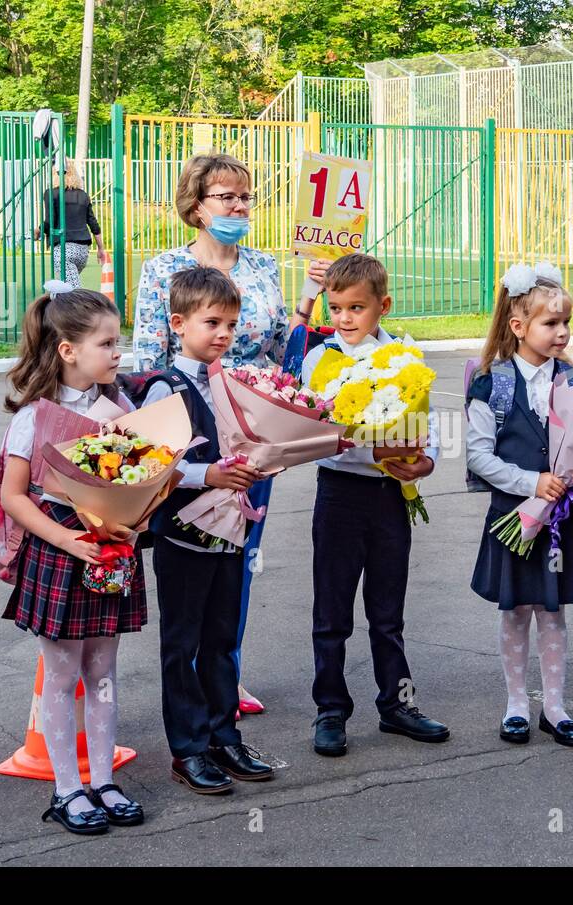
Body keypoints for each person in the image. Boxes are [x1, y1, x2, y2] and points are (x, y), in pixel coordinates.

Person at [132, 152, 327, 715]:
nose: (240, 206)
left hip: (252, 432)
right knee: (189, 553)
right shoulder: (164, 269)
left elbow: (280, 354)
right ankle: (189, 682)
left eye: (245, 196)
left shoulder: (264, 265)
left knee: (239, 554)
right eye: (226, 196)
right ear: (196, 206)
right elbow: (150, 355)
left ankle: (226, 670)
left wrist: (309, 299)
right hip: (190, 432)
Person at [0, 286, 146, 835]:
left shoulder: (122, 407)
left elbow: (142, 474)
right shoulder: (35, 417)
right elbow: (16, 497)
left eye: (119, 342)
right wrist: (66, 540)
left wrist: (139, 512)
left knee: (104, 672)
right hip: (62, 548)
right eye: (108, 343)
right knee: (63, 677)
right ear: (67, 350)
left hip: (112, 545)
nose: (118, 353)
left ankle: (104, 780)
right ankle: (67, 790)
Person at [299, 254, 449, 756]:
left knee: (388, 611)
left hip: (389, 495)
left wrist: (423, 464)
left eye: (356, 308)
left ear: (381, 306)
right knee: (332, 611)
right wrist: (364, 448)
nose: (344, 319)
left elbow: (423, 433)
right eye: (335, 307)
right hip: (340, 493)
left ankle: (396, 703)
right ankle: (331, 710)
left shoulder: (406, 359)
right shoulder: (319, 360)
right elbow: (309, 435)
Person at [466, 261, 573, 747]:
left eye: (566, 322)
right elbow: (478, 455)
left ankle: (554, 705)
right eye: (551, 323)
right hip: (515, 516)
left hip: (562, 521)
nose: (562, 333)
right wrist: (533, 482)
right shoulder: (491, 381)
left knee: (553, 612)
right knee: (515, 612)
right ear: (518, 326)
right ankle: (515, 705)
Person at [142, 267, 276, 792]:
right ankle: (189, 747)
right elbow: (148, 467)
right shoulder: (163, 386)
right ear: (178, 323)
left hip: (230, 531)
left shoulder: (231, 383)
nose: (223, 333)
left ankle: (225, 735)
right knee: (183, 643)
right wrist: (208, 474)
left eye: (231, 323)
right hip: (181, 534)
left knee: (222, 638)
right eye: (211, 322)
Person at [36, 158, 109, 289]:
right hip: (82, 251)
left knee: (72, 290)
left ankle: (82, 307)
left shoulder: (51, 194)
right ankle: (54, 307)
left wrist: (39, 231)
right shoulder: (83, 195)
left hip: (63, 250)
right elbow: (93, 224)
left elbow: (49, 222)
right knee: (63, 287)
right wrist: (101, 249)